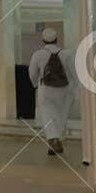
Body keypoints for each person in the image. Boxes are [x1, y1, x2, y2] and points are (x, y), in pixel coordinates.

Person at [28, 28, 72, 157]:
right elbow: (72, 72)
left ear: (43, 40)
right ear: (56, 39)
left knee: (48, 114)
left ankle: (53, 139)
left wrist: (35, 84)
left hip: (45, 88)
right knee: (62, 113)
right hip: (63, 88)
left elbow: (32, 73)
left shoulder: (38, 54)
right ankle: (59, 139)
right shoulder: (66, 54)